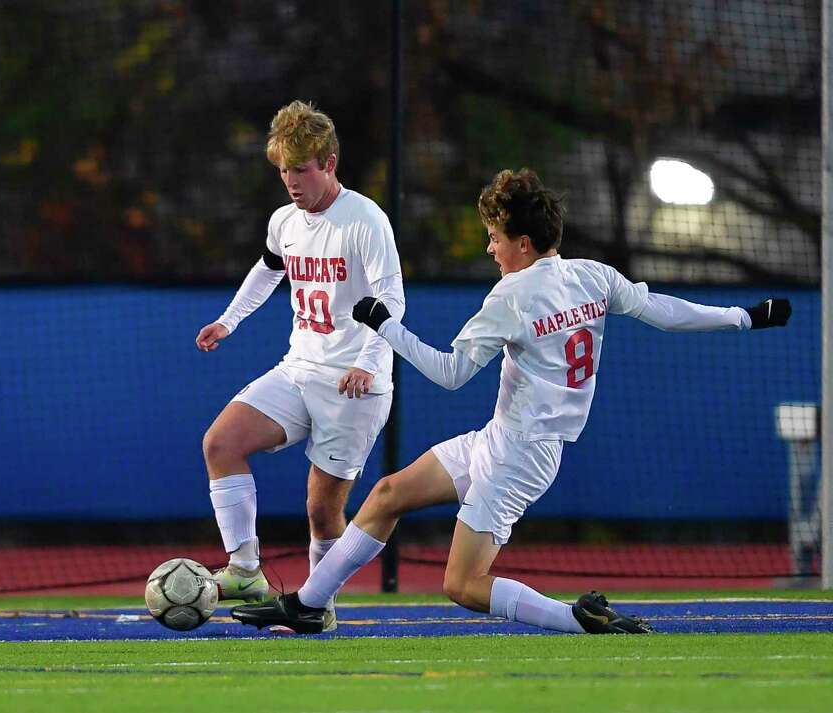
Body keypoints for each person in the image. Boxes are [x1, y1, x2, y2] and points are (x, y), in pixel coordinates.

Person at [231, 168, 791, 634]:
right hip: (505, 439)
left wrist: (385, 327)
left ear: (523, 243)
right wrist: (743, 317)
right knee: (386, 495)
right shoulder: (591, 277)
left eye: (495, 236)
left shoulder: (511, 296)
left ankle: (579, 618)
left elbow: (450, 375)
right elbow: (662, 310)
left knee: (461, 585)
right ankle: (307, 605)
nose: (489, 246)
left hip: (518, 455)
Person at [195, 100, 405, 630]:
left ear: (329, 163)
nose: (290, 179)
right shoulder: (284, 220)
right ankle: (245, 569)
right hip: (299, 368)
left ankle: (317, 607)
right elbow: (268, 269)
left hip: (355, 385)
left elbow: (392, 300)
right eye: (283, 169)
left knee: (321, 511)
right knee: (221, 443)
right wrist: (229, 321)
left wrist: (368, 361)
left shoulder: (364, 220)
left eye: (301, 168)